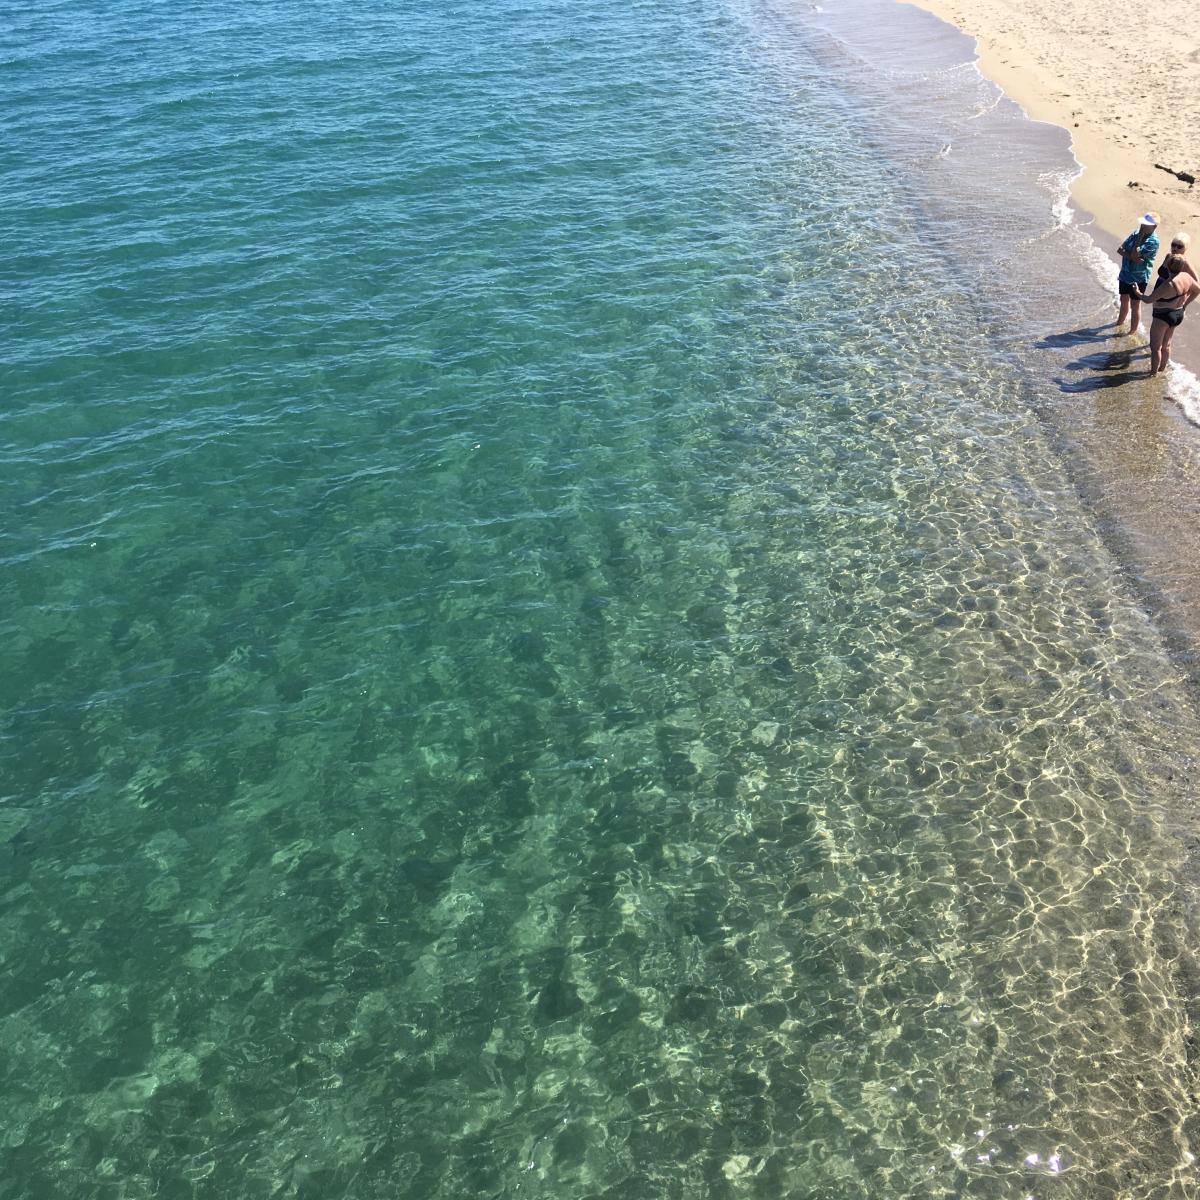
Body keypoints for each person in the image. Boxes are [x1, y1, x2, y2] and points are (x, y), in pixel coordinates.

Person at [1140, 252, 1198, 376]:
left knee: (1155, 348)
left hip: (1162, 316)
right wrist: (1185, 304)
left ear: (1167, 265)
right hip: (1177, 314)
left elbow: (1148, 300)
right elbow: (1197, 290)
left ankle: (1153, 374)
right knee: (1166, 345)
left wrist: (1137, 292)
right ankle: (1162, 369)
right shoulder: (1186, 276)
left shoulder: (1168, 285)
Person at [1116, 212, 1161, 334]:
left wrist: (1140, 238)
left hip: (1138, 277)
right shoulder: (1136, 232)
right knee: (1123, 299)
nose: (1142, 226)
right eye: (1142, 223)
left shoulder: (1153, 242)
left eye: (1146, 225)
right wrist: (1132, 257)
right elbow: (1120, 249)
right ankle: (1119, 324)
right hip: (1125, 273)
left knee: (1135, 305)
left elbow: (1136, 254)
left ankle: (1132, 332)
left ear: (1154, 227)